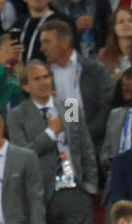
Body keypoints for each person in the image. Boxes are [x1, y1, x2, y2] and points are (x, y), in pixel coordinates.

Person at [6, 59, 98, 224]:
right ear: (25, 87)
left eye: (46, 77)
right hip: (40, 195)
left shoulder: (70, 108)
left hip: (76, 190)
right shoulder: (16, 116)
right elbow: (22, 155)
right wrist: (50, 133)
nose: (44, 82)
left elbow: (85, 147)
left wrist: (89, 186)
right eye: (37, 79)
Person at [38, 19, 116, 148]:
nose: (42, 48)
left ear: (65, 42)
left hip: (94, 145)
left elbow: (108, 107)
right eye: (41, 43)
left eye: (47, 42)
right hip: (57, 149)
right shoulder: (42, 76)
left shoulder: (95, 70)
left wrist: (85, 137)